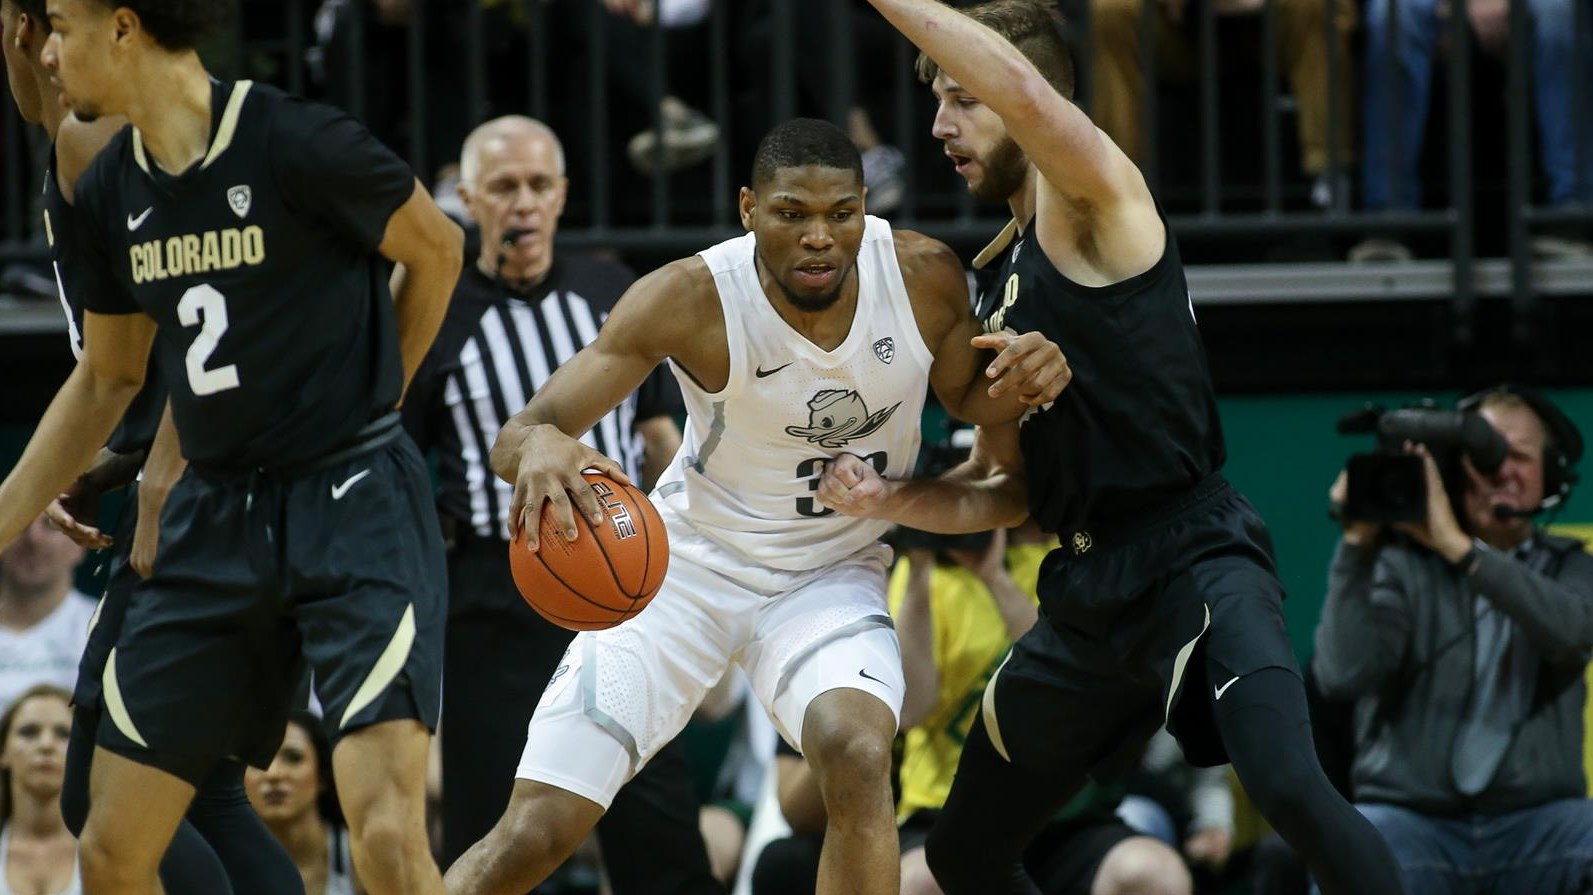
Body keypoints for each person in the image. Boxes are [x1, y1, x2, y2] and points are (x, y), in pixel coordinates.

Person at [819, 2, 1406, 892]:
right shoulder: (997, 276)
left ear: (1030, 99)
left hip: (1192, 558)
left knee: (1289, 785)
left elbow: (1016, 84)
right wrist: (886, 500)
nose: (939, 124)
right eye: (936, 101)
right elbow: (1002, 488)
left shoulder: (1095, 199)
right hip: (1085, 589)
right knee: (959, 854)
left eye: (960, 98)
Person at [444, 116, 1069, 895]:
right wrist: (538, 447)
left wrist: (1031, 366)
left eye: (840, 213)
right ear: (747, 208)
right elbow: (523, 429)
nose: (819, 237)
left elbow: (984, 412)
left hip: (828, 574)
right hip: (684, 572)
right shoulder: (685, 296)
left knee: (859, 752)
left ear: (865, 207)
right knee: (535, 830)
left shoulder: (922, 279)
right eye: (791, 214)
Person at [0, 2, 465, 894]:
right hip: (218, 513)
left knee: (386, 840)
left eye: (59, 23)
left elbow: (438, 249)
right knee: (107, 845)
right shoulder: (108, 187)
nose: (46, 51)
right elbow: (106, 378)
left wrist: (373, 397)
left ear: (125, 26)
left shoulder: (296, 140)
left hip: (353, 499)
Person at [0, 3, 303, 892]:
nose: (40, 52)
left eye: (43, 26)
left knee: (101, 799)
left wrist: (162, 464)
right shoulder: (102, 135)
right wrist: (125, 459)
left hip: (209, 488)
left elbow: (197, 330)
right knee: (203, 792)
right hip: (247, 479)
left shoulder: (98, 139)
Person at [403, 114, 720, 893]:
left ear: (563, 195)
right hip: (489, 589)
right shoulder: (434, 308)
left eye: (539, 185)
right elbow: (403, 458)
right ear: (466, 196)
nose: (523, 203)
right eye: (504, 187)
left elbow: (654, 432)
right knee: (495, 819)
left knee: (655, 814)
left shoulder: (609, 288)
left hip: (620, 582)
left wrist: (694, 551)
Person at [1312, 385, 1593, 894]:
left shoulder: (1571, 568)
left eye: (1521, 457)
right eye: (1485, 456)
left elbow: (1572, 633)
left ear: (1549, 476)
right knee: (1349, 853)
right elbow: (1342, 675)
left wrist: (1460, 549)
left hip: (1540, 826)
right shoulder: (1402, 566)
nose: (1502, 471)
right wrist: (1356, 544)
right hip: (1412, 824)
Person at [245, 712, 362, 895]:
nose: (274, 774)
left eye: (293, 758)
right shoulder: (223, 864)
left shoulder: (362, 857)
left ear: (323, 774)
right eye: (259, 761)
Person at [0, 516, 95, 713]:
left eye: (51, 525)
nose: (33, 539)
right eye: (22, 523)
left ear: (82, 540)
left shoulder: (108, 631)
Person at [0, 685, 77, 895]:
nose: (46, 745)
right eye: (29, 732)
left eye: (63, 734)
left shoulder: (108, 852)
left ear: (82, 752)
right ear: (3, 751)